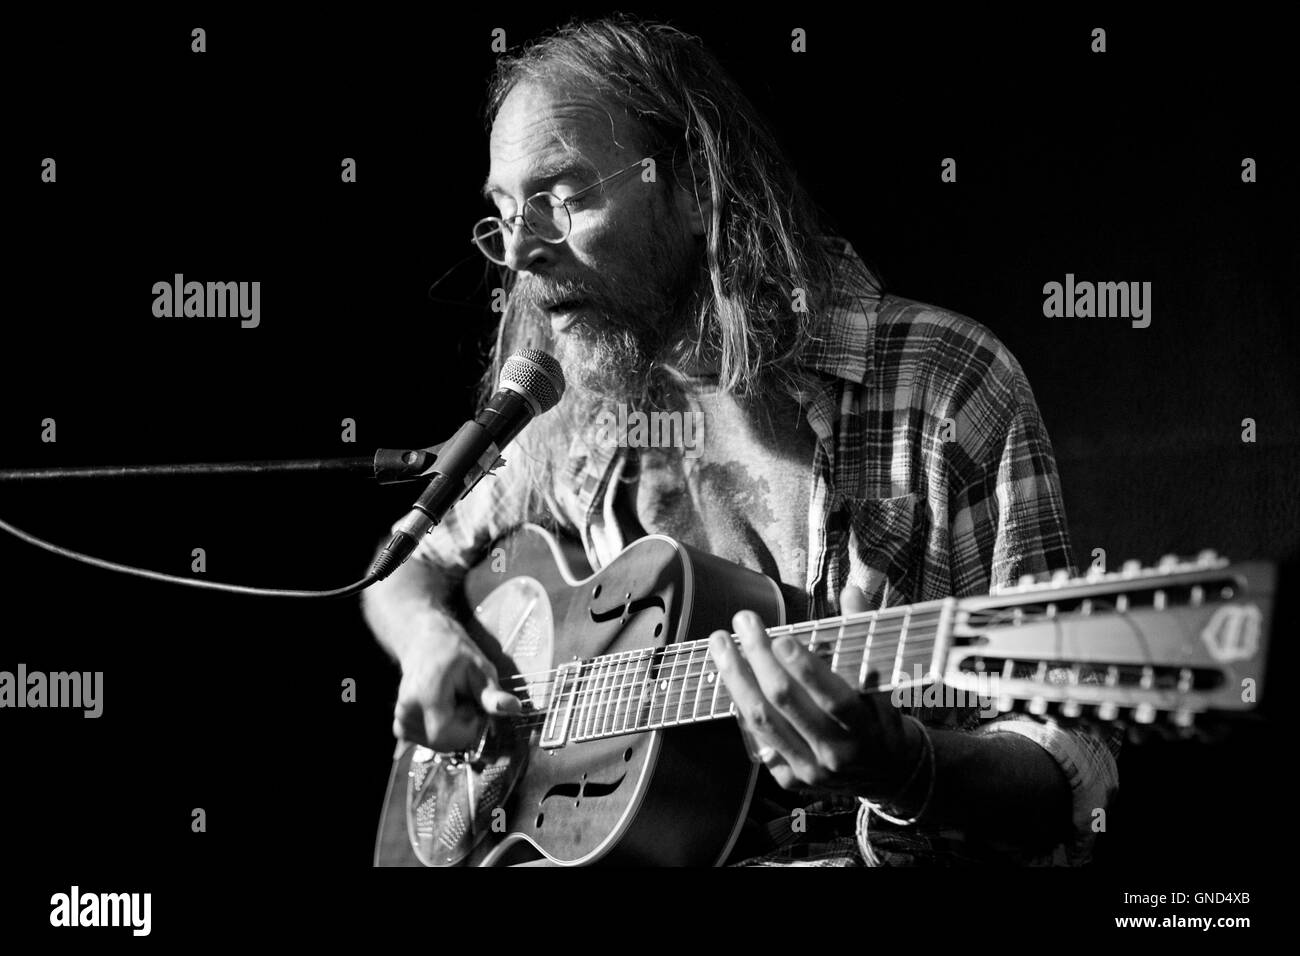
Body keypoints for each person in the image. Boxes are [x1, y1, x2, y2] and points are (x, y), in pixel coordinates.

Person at [362, 15, 1119, 866]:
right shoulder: (578, 409)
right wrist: (435, 644)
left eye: (561, 201)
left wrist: (905, 766)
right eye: (503, 214)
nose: (520, 256)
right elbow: (403, 573)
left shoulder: (946, 384)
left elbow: (1069, 765)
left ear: (694, 189)